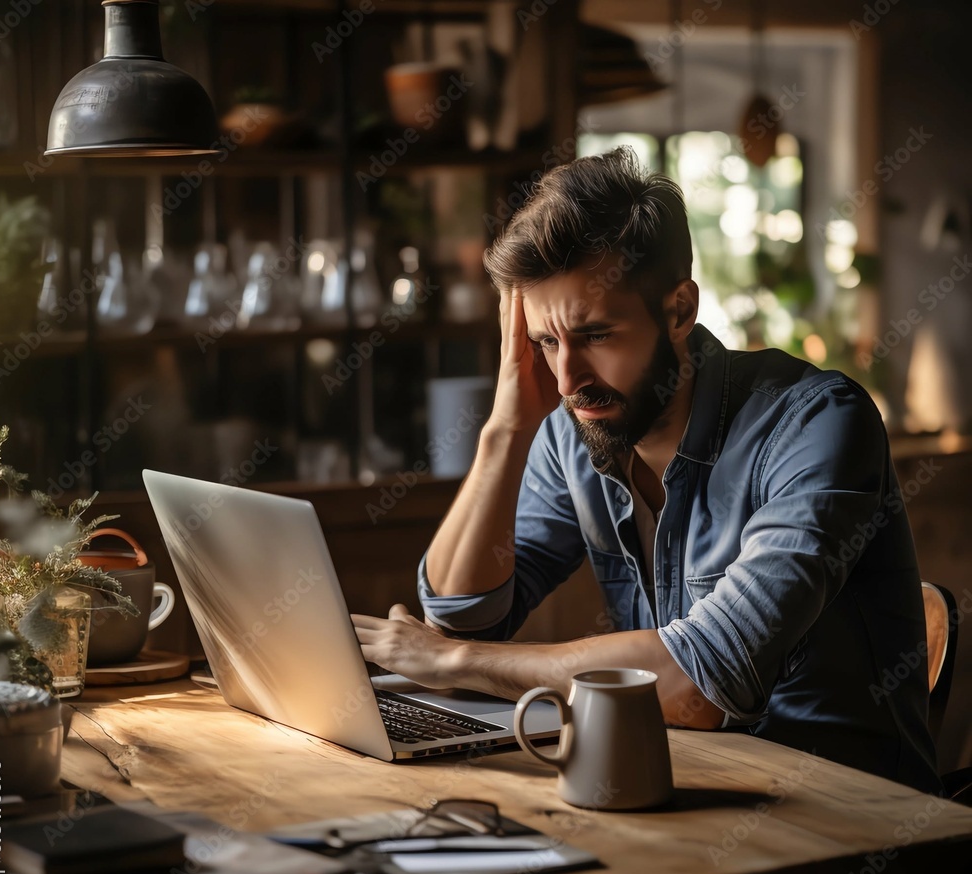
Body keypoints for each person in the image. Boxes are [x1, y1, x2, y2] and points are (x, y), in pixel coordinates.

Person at [353, 145, 939, 797]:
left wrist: (455, 661)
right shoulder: (574, 429)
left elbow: (701, 685)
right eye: (547, 342)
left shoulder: (818, 423)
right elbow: (463, 621)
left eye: (597, 334)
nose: (569, 378)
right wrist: (506, 427)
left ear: (679, 310)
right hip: (688, 793)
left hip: (851, 826)